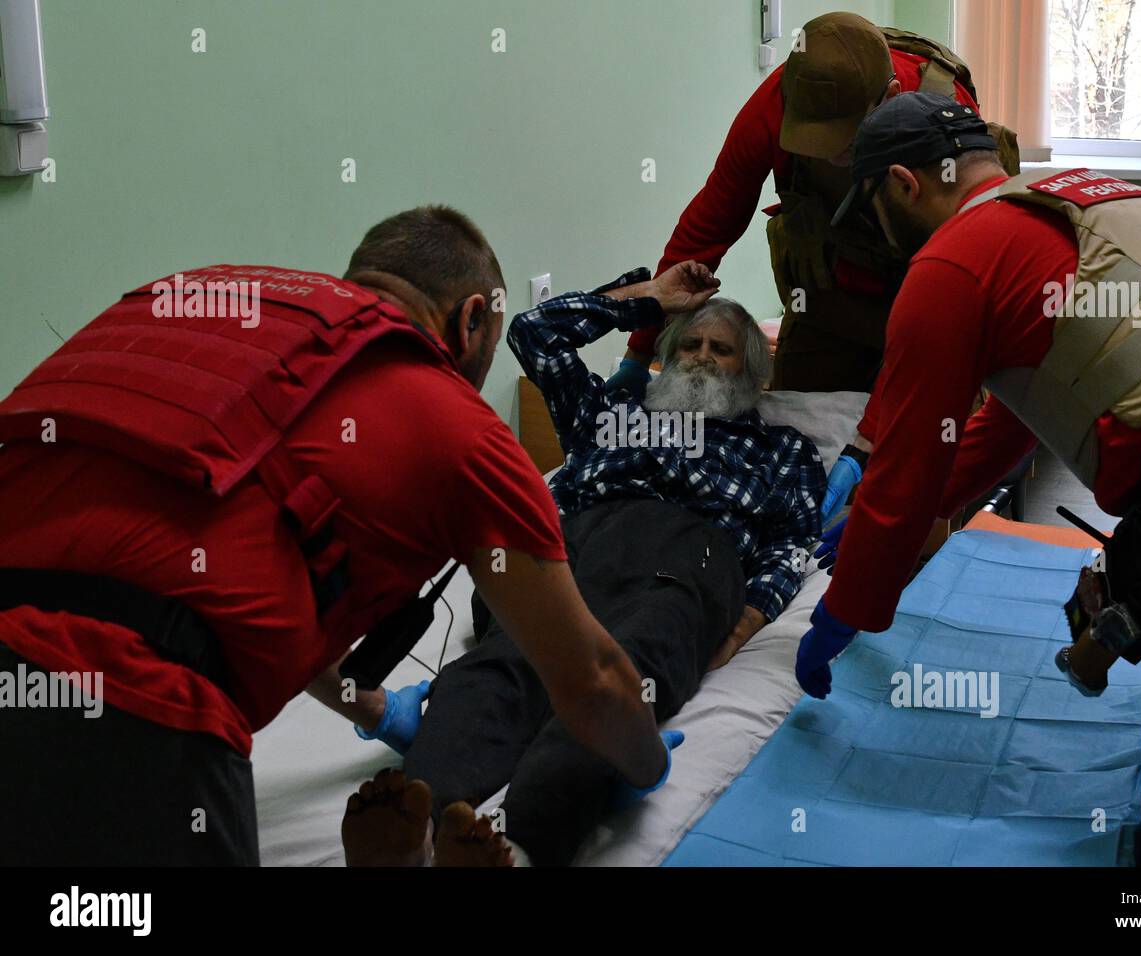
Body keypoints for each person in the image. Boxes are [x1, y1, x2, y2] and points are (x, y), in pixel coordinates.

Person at [0, 206, 670, 866]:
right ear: (470, 320)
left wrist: (374, 708)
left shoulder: (209, 304)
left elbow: (241, 561)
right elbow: (592, 682)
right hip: (120, 706)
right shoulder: (460, 431)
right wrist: (647, 766)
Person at [798, 92, 1141, 865]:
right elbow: (1014, 419)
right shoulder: (1091, 197)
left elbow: (904, 479)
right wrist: (889, 526)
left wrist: (843, 611)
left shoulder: (950, 263)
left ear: (902, 185)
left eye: (870, 208)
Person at [341, 262, 825, 867]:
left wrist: (743, 624)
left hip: (689, 561)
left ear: (753, 374)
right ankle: (417, 825)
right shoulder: (613, 414)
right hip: (577, 545)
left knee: (623, 675)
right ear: (666, 360)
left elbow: (793, 547)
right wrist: (649, 300)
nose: (700, 357)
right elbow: (535, 332)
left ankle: (520, 843)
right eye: (690, 345)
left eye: (721, 350)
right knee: (497, 665)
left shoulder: (781, 450)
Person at [608, 11, 1016, 409]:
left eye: (841, 143)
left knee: (940, 434)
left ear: (889, 98)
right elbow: (706, 229)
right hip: (827, 297)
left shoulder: (945, 118)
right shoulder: (772, 106)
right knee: (798, 420)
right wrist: (638, 355)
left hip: (928, 296)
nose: (826, 152)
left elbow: (976, 256)